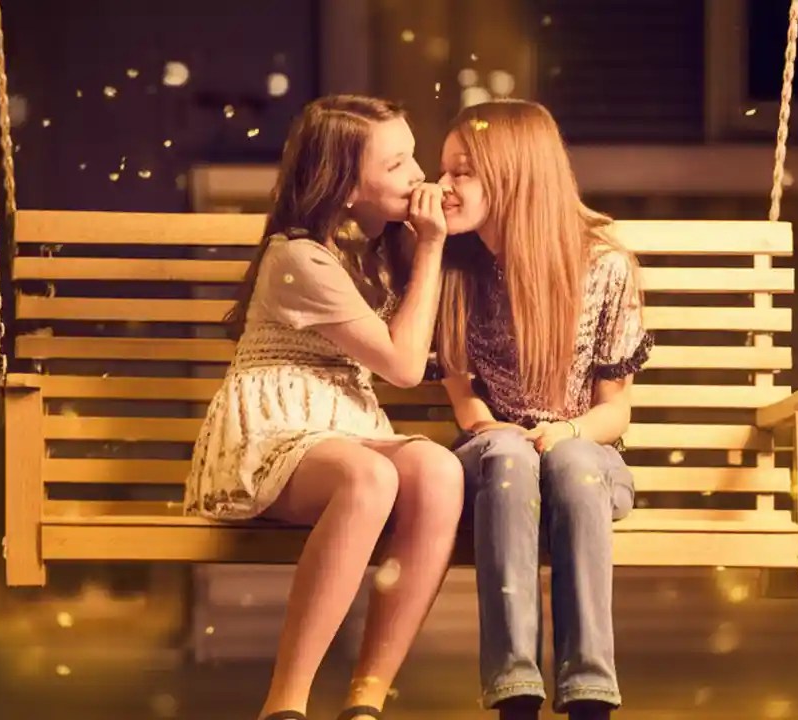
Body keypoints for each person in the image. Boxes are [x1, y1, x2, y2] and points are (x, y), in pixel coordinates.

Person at [185, 95, 464, 720]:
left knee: (441, 472)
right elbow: (402, 366)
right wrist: (432, 248)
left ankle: (366, 698)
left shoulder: (373, 249)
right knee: (370, 477)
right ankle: (285, 704)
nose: (418, 176)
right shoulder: (299, 257)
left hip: (343, 426)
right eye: (397, 166)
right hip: (275, 435)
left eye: (413, 156)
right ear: (342, 186)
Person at [434, 100, 653, 720]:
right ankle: (515, 690)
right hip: (495, 450)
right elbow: (466, 400)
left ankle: (589, 691)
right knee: (507, 458)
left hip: (585, 452)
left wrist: (565, 431)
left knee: (575, 464)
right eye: (441, 169)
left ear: (515, 174)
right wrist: (494, 428)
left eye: (462, 171)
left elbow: (615, 414)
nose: (443, 186)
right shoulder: (452, 268)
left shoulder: (603, 266)